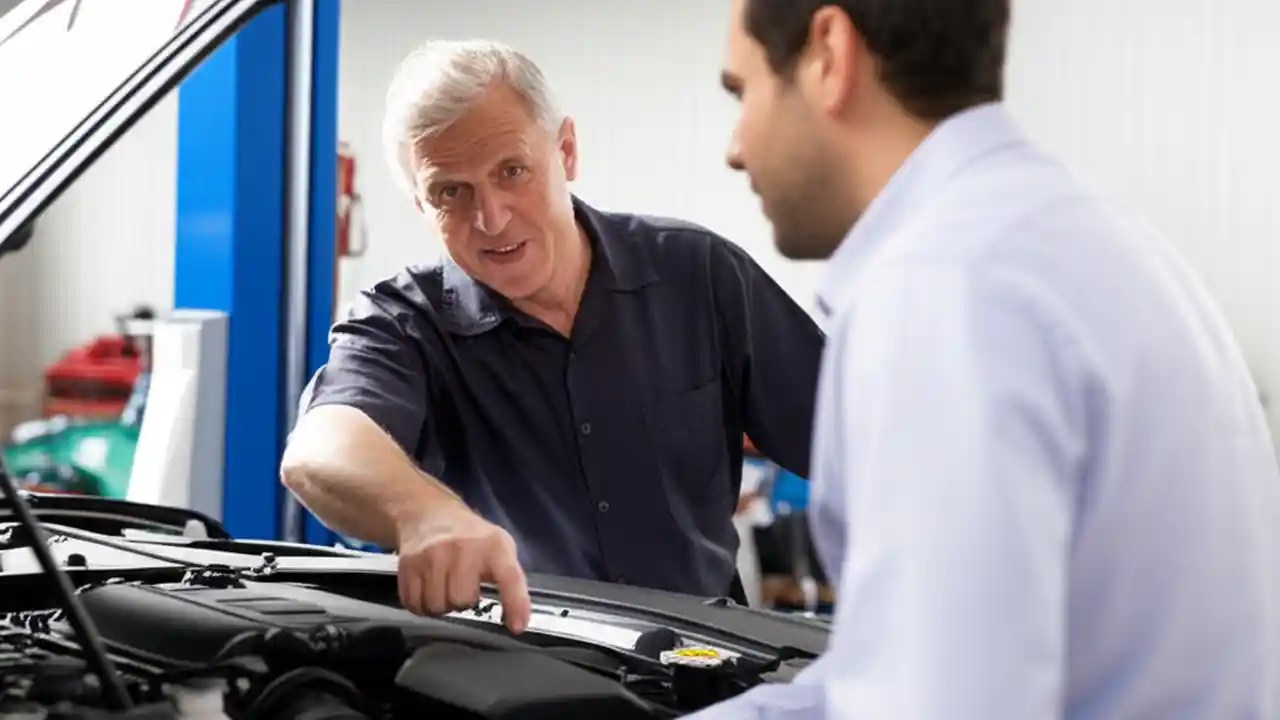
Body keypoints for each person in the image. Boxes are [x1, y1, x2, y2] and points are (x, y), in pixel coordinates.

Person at [690, 0, 1280, 717]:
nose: (734, 147)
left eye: (742, 92)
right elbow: (894, 680)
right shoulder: (1079, 239)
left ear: (828, 56)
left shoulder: (941, 290)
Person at [279, 39, 824, 634]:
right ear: (419, 201)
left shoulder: (698, 274)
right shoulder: (403, 324)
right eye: (449, 191)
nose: (491, 217)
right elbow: (320, 451)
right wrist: (425, 515)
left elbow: (854, 438)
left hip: (700, 668)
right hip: (518, 675)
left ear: (565, 151)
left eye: (511, 171)